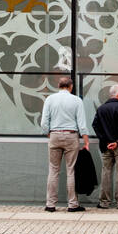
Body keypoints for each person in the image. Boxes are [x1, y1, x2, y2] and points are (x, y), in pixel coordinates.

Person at [40, 75, 90, 212]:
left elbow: (44, 122)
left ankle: (50, 204)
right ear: (71, 86)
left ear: (58, 86)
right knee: (71, 171)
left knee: (53, 170)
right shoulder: (76, 100)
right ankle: (73, 204)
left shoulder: (50, 99)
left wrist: (49, 133)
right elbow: (82, 123)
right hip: (71, 136)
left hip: (54, 135)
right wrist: (86, 141)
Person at [92, 83, 118, 210]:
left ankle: (104, 202)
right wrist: (117, 141)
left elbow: (95, 125)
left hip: (105, 146)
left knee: (106, 172)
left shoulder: (101, 109)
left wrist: (105, 140)